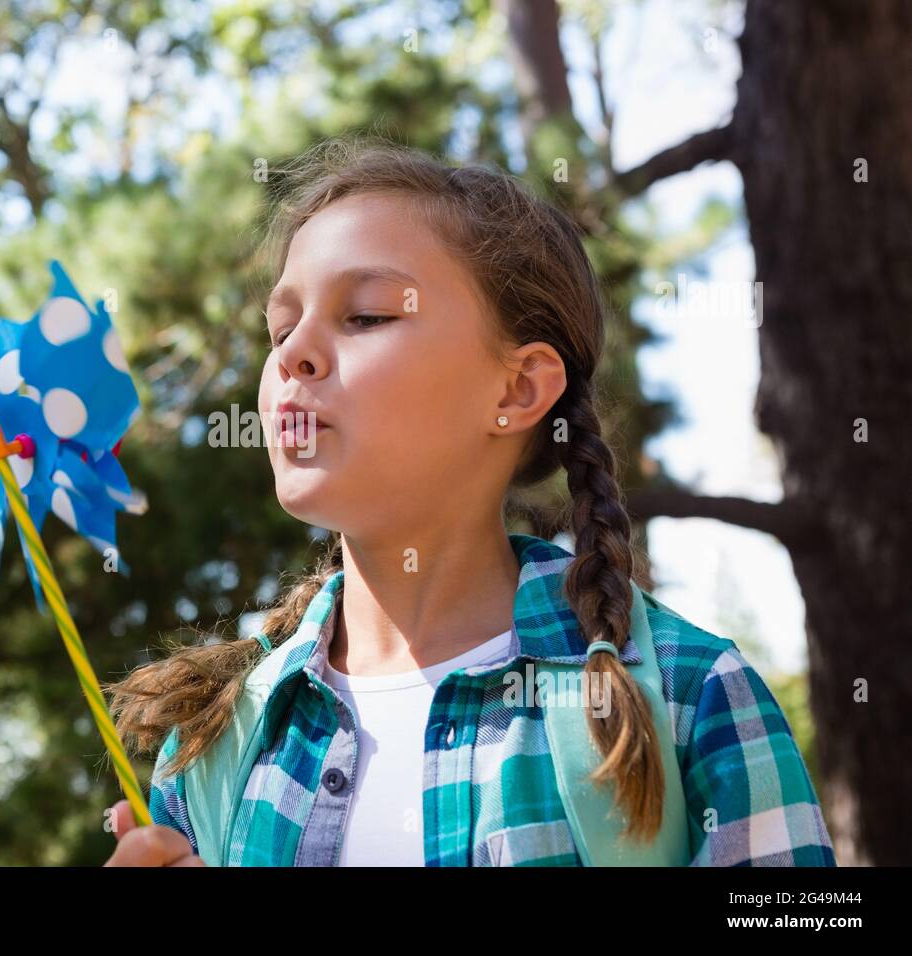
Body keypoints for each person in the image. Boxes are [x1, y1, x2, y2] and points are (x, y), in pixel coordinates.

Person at [102, 135, 835, 867]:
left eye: (365, 315)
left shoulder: (690, 696)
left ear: (517, 390)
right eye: (282, 325)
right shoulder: (219, 735)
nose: (294, 352)